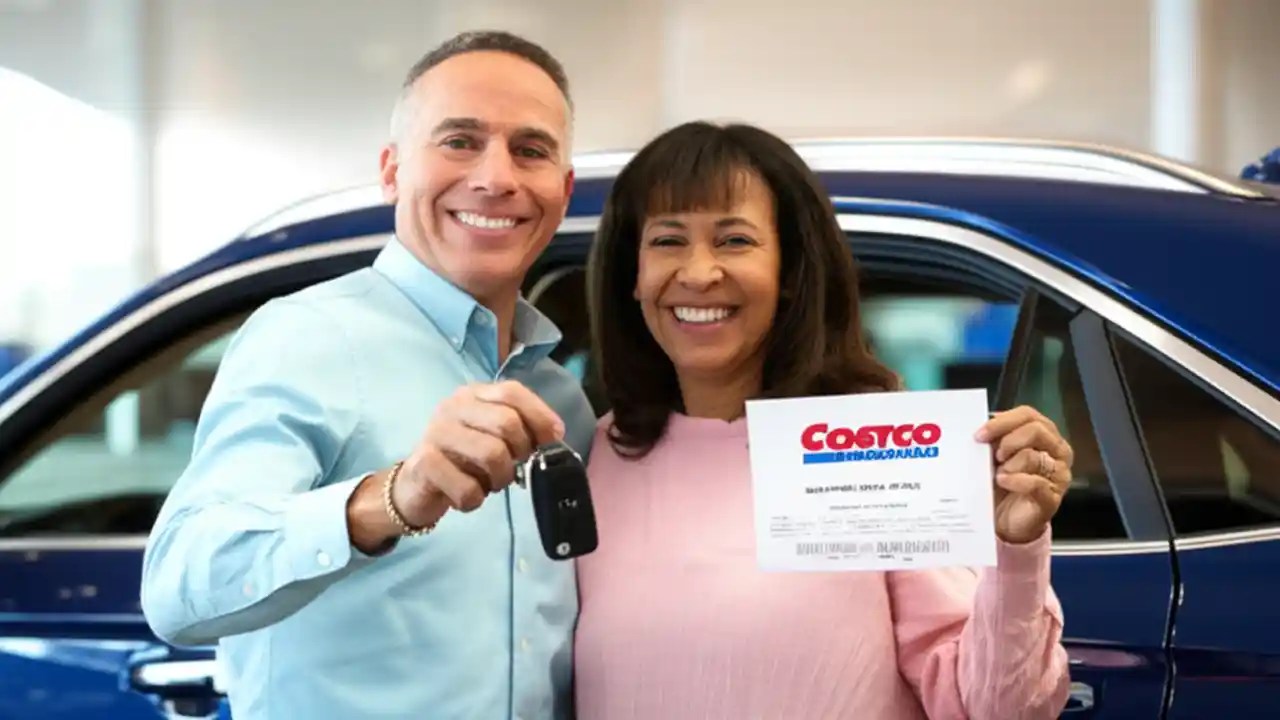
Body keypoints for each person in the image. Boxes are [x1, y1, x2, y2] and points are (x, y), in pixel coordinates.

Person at [140, 31, 595, 720]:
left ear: (560, 192)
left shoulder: (563, 401)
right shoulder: (307, 338)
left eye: (529, 150)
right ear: (390, 171)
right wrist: (391, 498)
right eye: (459, 141)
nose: (497, 176)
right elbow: (178, 587)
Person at [574, 121, 1073, 719]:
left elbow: (996, 708)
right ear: (631, 276)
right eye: (667, 240)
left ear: (790, 274)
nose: (699, 272)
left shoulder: (873, 444)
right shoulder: (596, 455)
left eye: (734, 241)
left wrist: (1013, 547)